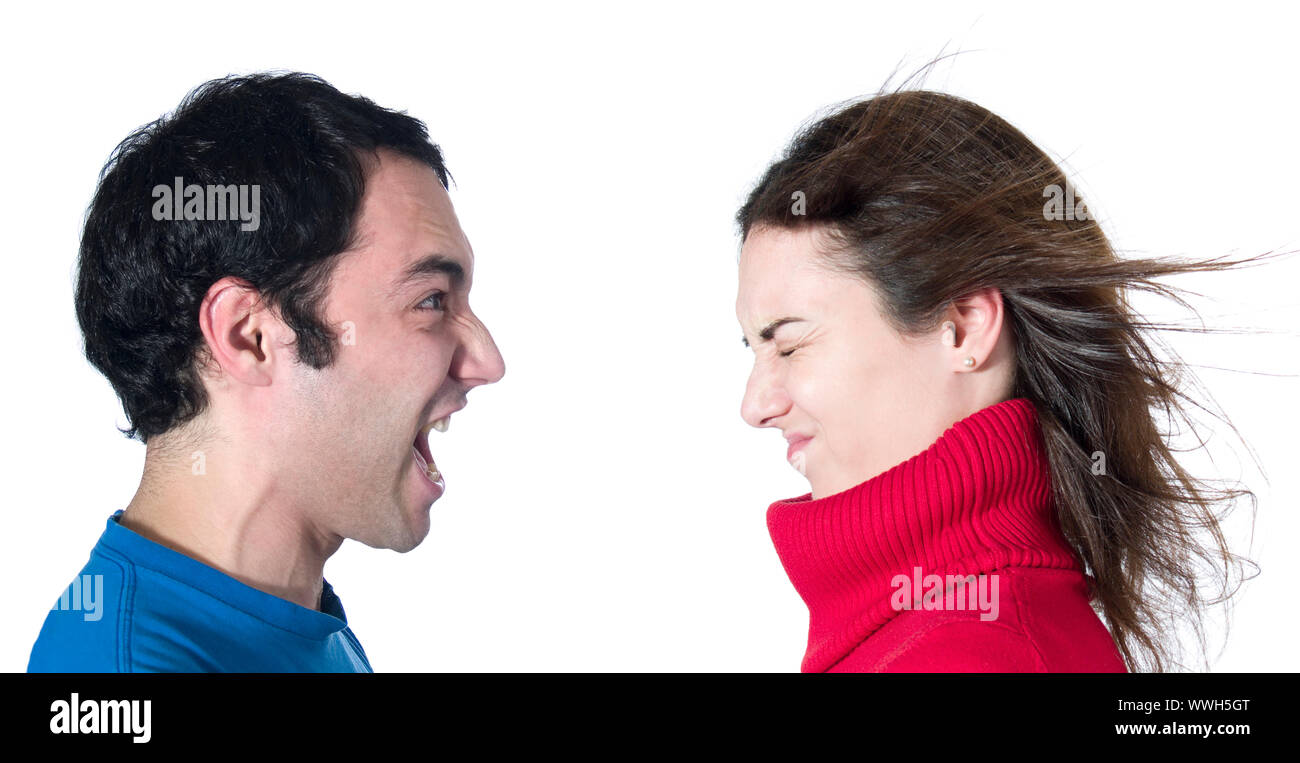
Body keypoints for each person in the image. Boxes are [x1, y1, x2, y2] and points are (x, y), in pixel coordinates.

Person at [735, 87, 1260, 672]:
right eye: (754, 348)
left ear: (962, 328)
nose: (755, 405)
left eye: (790, 343)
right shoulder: (946, 632)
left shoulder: (981, 653)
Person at [28, 72, 505, 672]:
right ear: (249, 336)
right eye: (431, 300)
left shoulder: (303, 630)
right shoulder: (118, 670)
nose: (487, 362)